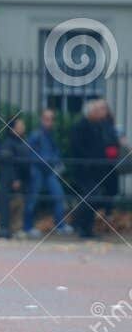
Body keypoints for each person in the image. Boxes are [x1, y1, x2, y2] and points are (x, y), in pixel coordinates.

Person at [68, 99, 119, 239]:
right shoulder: (80, 126)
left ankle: (83, 226)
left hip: (97, 170)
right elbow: (77, 148)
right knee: (91, 198)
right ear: (90, 112)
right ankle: (81, 226)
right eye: (96, 111)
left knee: (95, 198)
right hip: (83, 170)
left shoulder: (99, 125)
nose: (99, 113)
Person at [24, 107, 67, 237]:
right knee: (33, 199)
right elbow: (29, 153)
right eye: (47, 119)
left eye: (51, 119)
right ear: (42, 120)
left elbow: (55, 151)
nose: (50, 122)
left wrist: (55, 161)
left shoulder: (50, 135)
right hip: (38, 170)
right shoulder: (36, 135)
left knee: (58, 195)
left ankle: (60, 225)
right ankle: (28, 227)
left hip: (48, 170)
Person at [0, 115, 28, 238]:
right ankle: (5, 226)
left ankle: (11, 227)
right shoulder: (8, 143)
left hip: (22, 179)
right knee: (12, 203)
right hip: (12, 180)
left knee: (18, 203)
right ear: (12, 129)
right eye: (20, 126)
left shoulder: (21, 141)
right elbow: (9, 164)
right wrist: (15, 179)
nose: (23, 128)